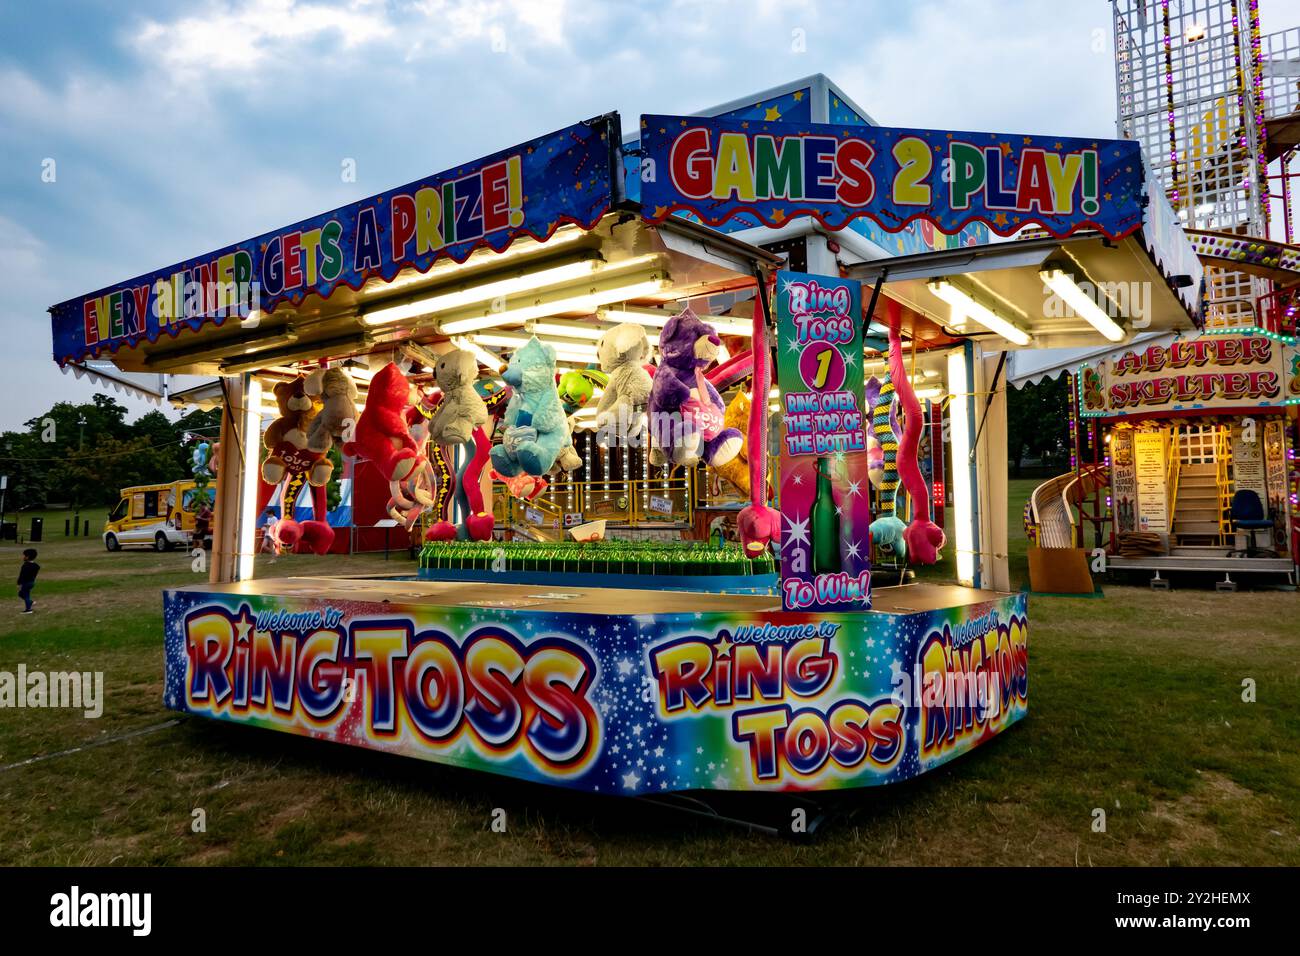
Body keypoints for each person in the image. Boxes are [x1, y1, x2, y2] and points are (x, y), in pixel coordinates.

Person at [17, 548, 39, 614]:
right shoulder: (36, 566)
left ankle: (28, 609)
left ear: (27, 557)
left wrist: (19, 582)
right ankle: (30, 602)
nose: (23, 557)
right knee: (22, 594)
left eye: (24, 555)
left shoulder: (25, 565)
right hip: (32, 582)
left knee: (25, 595)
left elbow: (22, 575)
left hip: (26, 583)